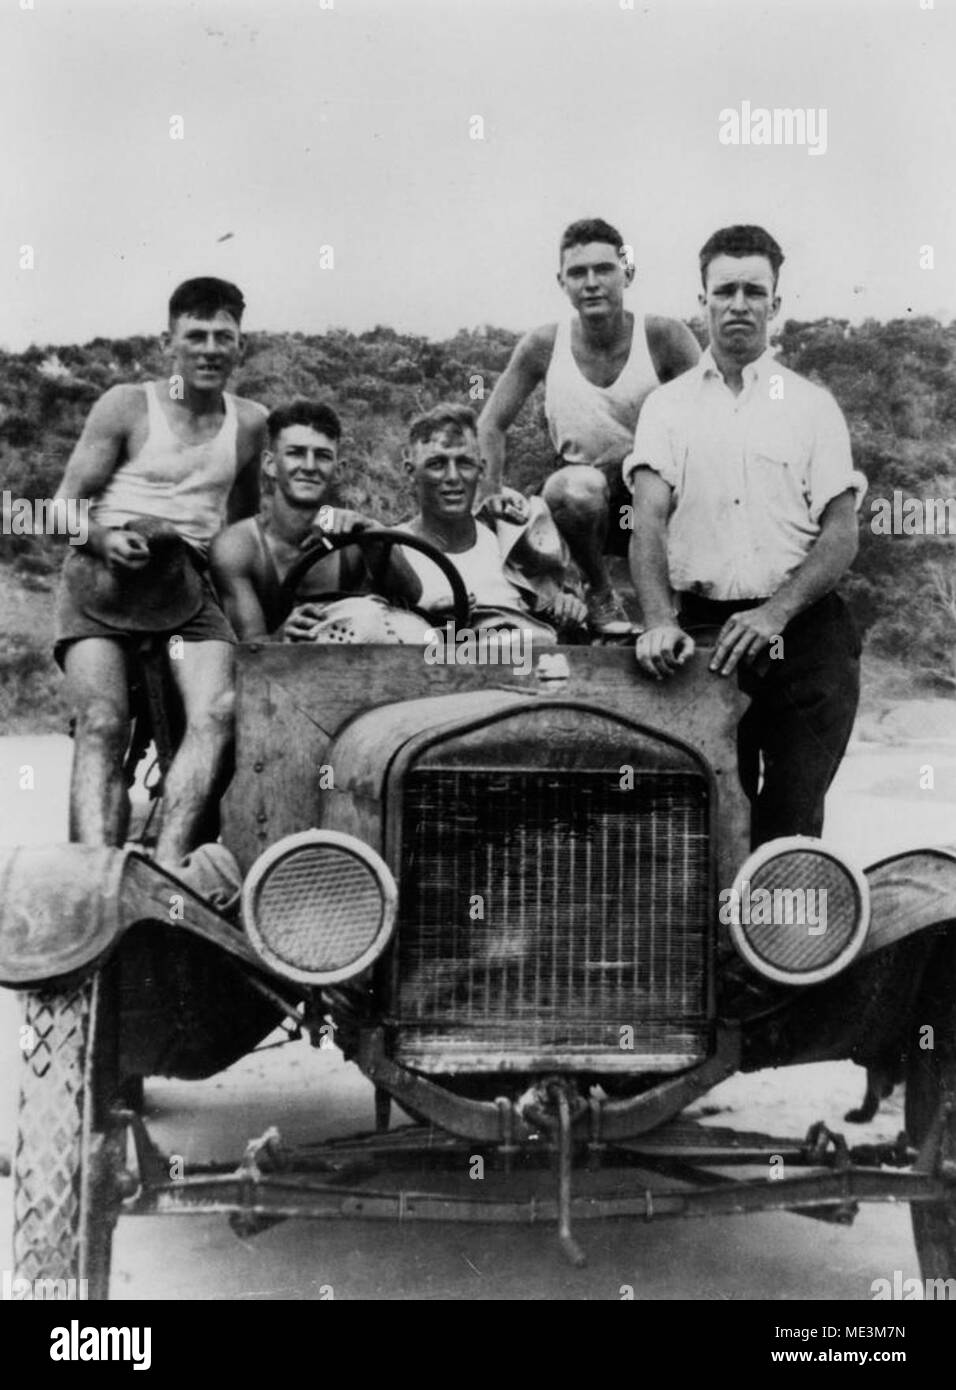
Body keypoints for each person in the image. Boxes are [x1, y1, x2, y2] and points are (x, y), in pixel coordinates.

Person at [626, 225, 863, 846]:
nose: (738, 304)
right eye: (724, 289)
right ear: (701, 300)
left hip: (805, 635)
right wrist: (657, 620)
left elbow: (841, 535)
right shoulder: (668, 408)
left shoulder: (812, 407)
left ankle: (781, 940)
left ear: (775, 304)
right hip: (705, 635)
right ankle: (716, 947)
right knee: (709, 819)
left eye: (753, 291)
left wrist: (775, 613)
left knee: (789, 823)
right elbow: (646, 520)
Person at [52, 276, 267, 864]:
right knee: (100, 721)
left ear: (240, 347)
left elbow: (240, 528)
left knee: (219, 710)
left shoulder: (249, 423)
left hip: (186, 585)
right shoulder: (126, 404)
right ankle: (94, 875)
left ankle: (171, 870)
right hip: (102, 581)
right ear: (168, 341)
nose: (209, 348)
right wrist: (101, 539)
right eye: (195, 334)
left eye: (224, 336)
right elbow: (56, 508)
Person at [477, 217, 700, 633]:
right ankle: (599, 593)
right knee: (573, 487)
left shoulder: (664, 336)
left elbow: (711, 417)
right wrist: (489, 492)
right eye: (578, 273)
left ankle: (684, 608)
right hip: (585, 505)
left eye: (604, 270)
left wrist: (640, 454)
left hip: (660, 492)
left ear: (627, 273)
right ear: (561, 281)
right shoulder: (543, 344)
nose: (591, 283)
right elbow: (491, 423)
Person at [210, 399, 420, 642]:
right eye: (296, 453)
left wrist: (372, 533)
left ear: (338, 470)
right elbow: (250, 648)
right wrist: (282, 636)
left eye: (322, 456)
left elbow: (412, 595)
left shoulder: (354, 533)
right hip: (277, 673)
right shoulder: (238, 547)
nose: (309, 467)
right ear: (270, 464)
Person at [399, 402, 585, 640]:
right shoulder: (391, 550)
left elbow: (552, 609)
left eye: (464, 463)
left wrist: (566, 609)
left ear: (481, 469)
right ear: (410, 471)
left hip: (515, 669)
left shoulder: (509, 542)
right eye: (437, 464)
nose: (453, 477)